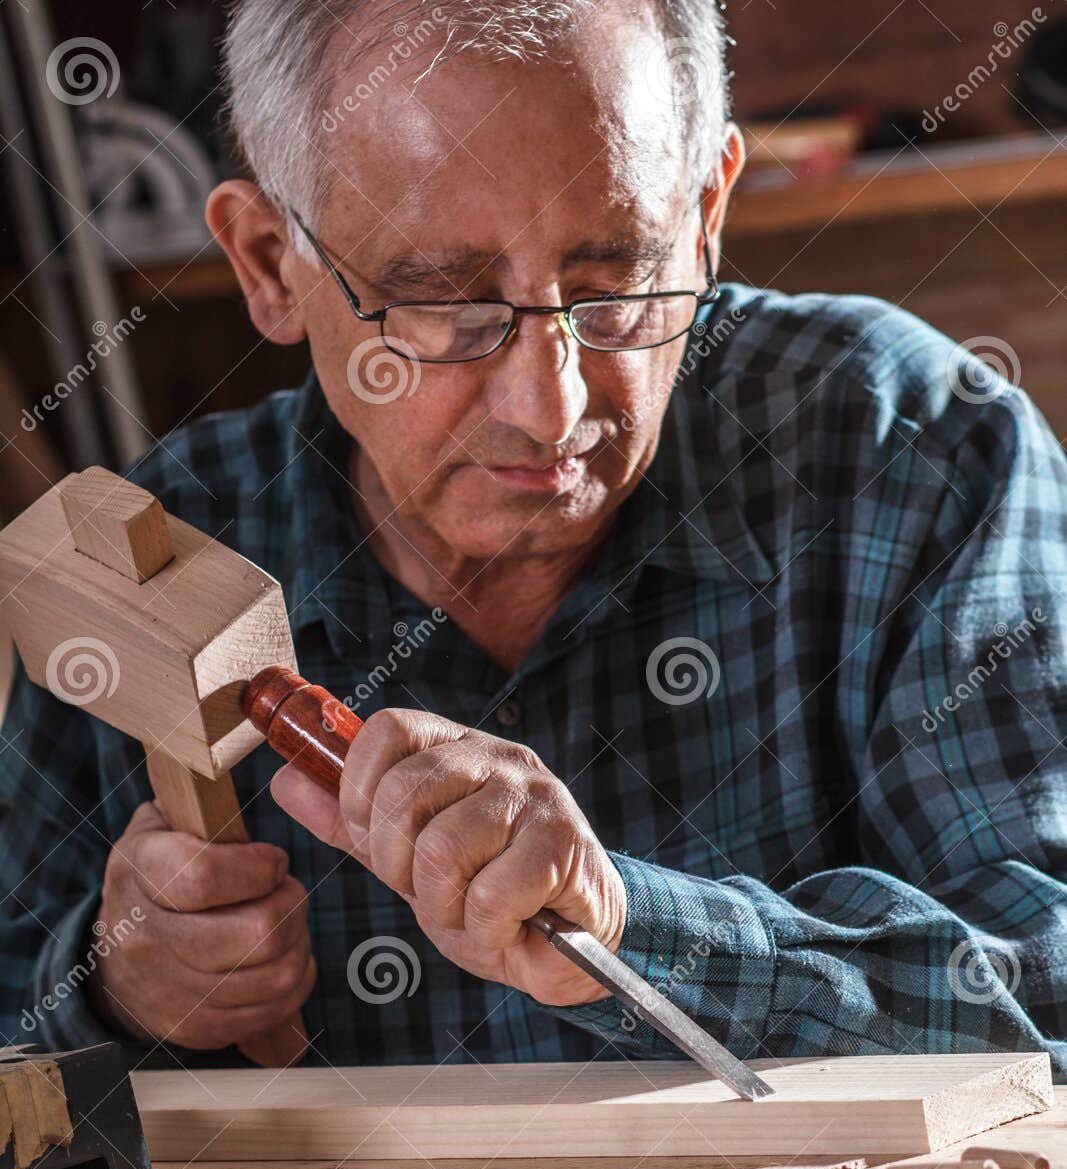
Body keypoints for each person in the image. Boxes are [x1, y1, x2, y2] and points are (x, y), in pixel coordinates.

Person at [1, 0, 1064, 1074]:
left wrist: (632, 932)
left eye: (614, 292)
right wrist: (115, 996)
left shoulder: (916, 451)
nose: (548, 411)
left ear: (704, 217)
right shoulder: (140, 560)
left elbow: (1049, 989)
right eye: (446, 310)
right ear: (271, 264)